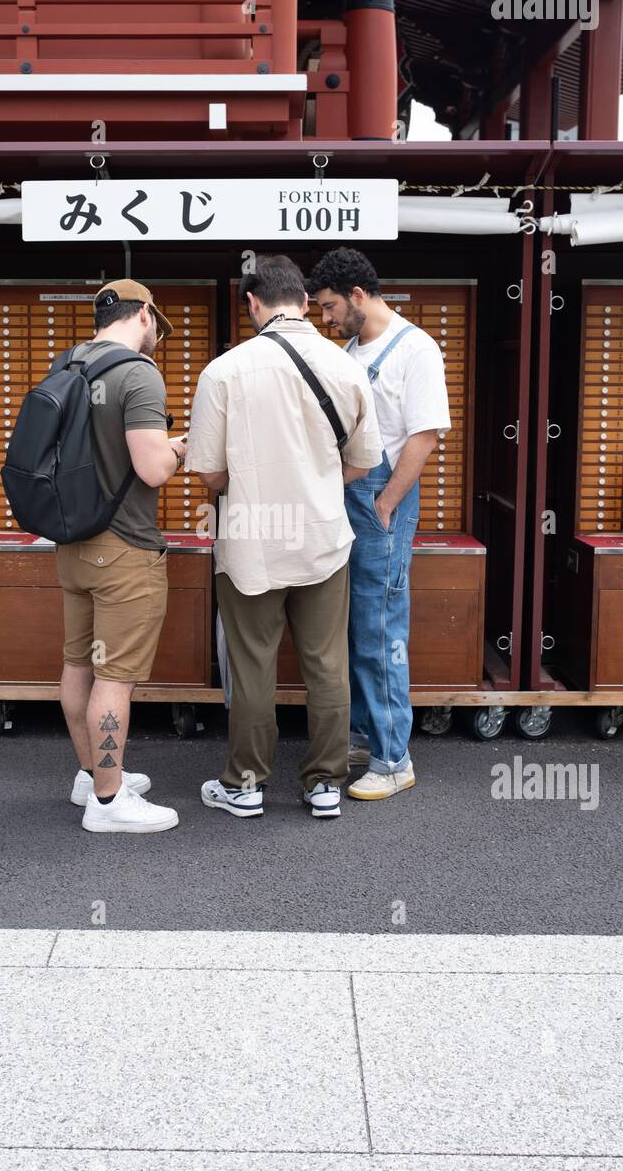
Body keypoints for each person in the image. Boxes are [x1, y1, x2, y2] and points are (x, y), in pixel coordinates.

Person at [185, 254, 383, 820]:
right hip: (323, 536)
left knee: (252, 664)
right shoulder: (345, 368)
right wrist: (318, 483)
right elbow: (363, 463)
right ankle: (325, 784)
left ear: (252, 302)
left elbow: (210, 472)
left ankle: (245, 785)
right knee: (327, 663)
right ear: (302, 298)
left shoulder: (223, 371)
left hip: (250, 539)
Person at [307, 247, 451, 800]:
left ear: (358, 296)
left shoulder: (415, 349)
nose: (325, 317)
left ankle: (394, 759)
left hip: (381, 504)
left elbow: (425, 435)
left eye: (328, 306)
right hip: (348, 501)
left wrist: (388, 503)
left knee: (380, 629)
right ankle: (367, 738)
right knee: (350, 628)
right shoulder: (347, 349)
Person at [56, 279, 188, 834]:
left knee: (78, 663)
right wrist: (180, 447)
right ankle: (108, 804)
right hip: (125, 548)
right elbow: (152, 469)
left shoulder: (66, 365)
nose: (158, 335)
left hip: (73, 545)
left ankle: (91, 775)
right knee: (115, 678)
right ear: (145, 315)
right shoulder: (137, 374)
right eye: (158, 324)